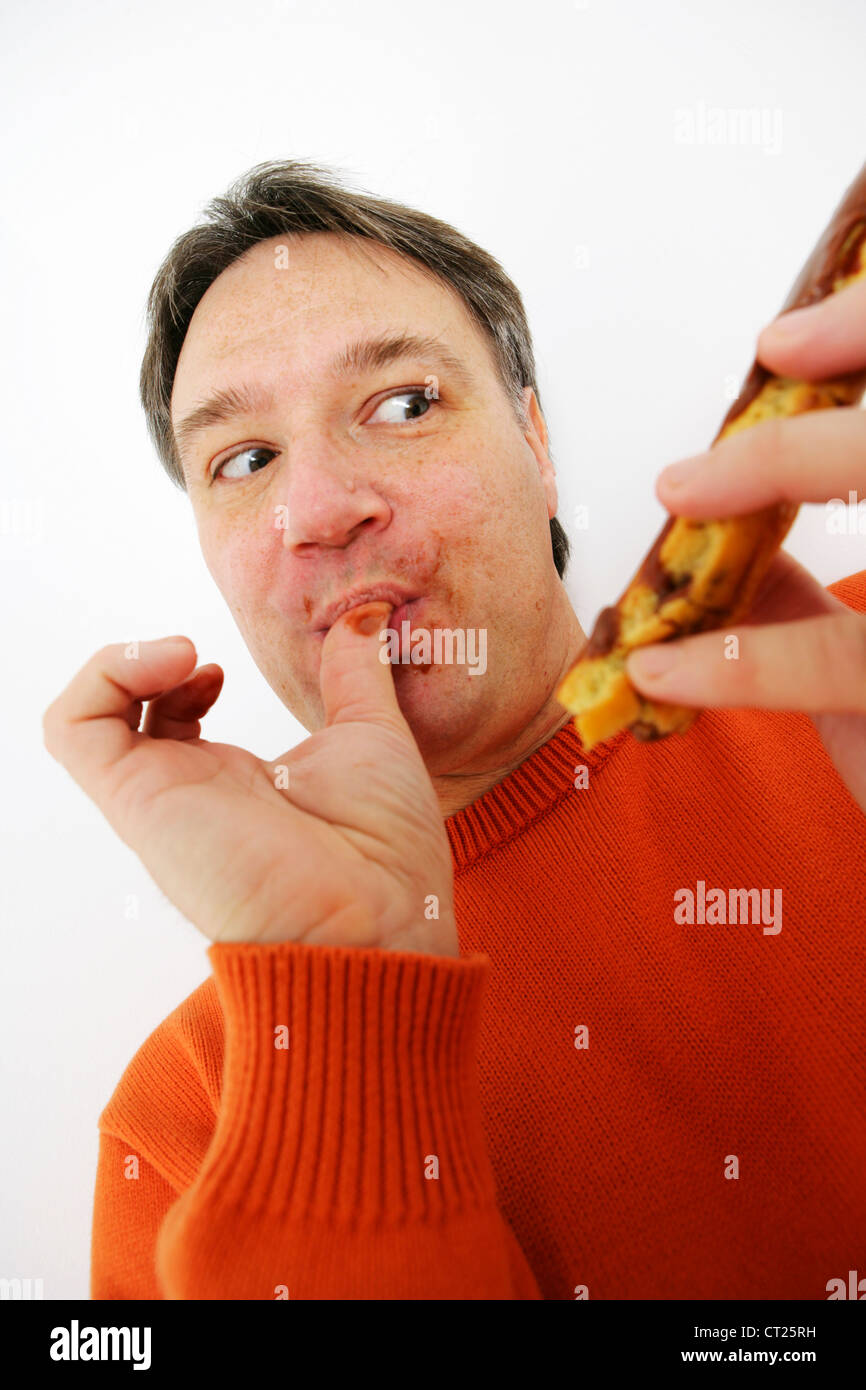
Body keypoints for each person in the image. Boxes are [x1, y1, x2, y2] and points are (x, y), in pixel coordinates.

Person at [43, 160, 866, 1300]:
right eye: (244, 460)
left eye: (403, 402)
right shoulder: (178, 1138)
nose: (323, 509)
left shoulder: (851, 668)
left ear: (535, 444)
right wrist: (346, 1005)